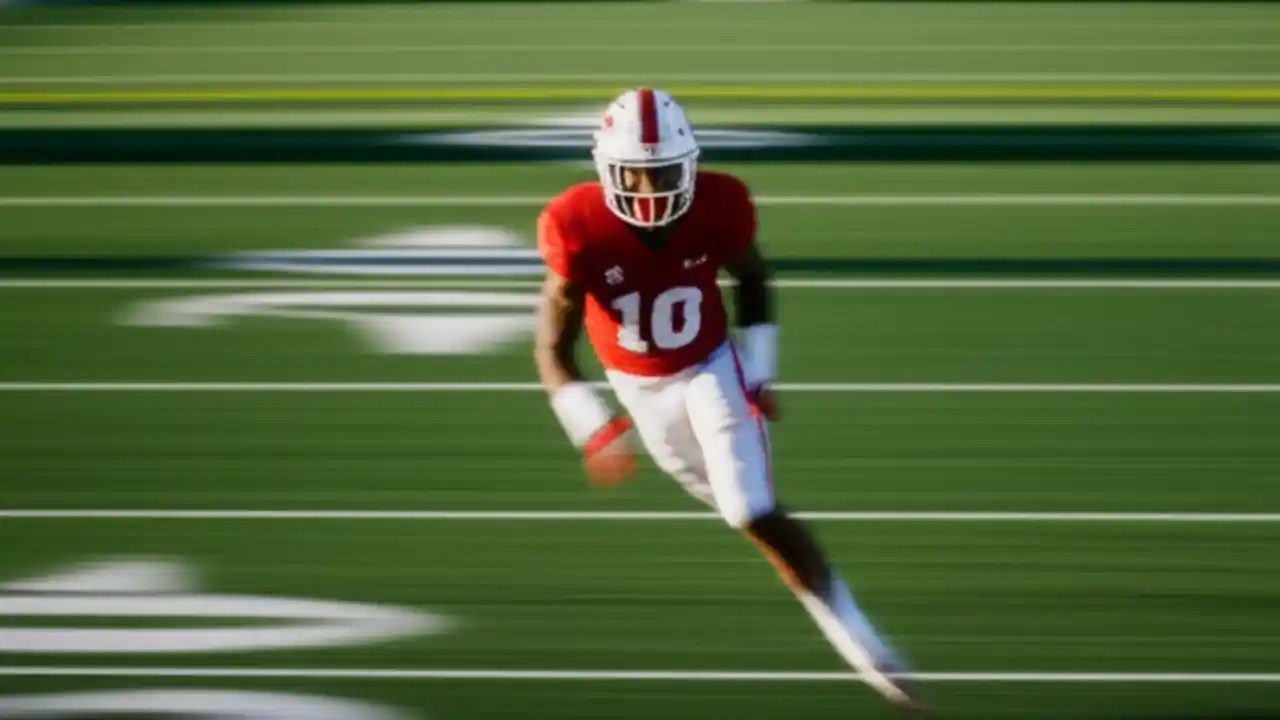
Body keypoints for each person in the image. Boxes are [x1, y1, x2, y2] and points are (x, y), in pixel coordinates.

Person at [533, 87, 925, 716]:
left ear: (689, 165)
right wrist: (592, 426)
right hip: (639, 390)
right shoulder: (575, 227)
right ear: (606, 169)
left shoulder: (718, 205)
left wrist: (760, 373)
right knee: (740, 514)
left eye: (664, 173)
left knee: (750, 506)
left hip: (711, 368)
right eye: (633, 174)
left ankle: (861, 642)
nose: (650, 190)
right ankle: (841, 615)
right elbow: (552, 348)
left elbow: (754, 280)